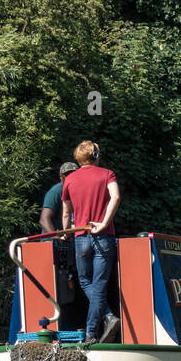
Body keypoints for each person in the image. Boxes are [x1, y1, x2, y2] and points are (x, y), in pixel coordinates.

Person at [60, 141, 121, 344]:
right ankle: (94, 330)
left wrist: (66, 233)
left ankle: (103, 322)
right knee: (99, 283)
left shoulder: (69, 179)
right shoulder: (107, 174)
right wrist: (104, 223)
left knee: (86, 281)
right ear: (95, 155)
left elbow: (66, 212)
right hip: (103, 236)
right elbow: (116, 197)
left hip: (80, 237)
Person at [39, 161, 79, 232]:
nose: (71, 177)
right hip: (53, 239)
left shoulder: (79, 191)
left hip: (71, 237)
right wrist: (55, 237)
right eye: (68, 175)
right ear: (61, 177)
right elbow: (44, 219)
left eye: (74, 174)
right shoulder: (56, 192)